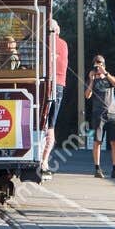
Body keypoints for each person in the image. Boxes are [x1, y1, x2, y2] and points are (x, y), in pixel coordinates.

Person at [40, 20, 69, 178]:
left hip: (45, 83)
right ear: (58, 30)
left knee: (41, 122)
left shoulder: (43, 42)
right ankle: (44, 160)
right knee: (51, 124)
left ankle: (41, 160)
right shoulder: (63, 44)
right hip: (59, 84)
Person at [86, 55, 115, 178]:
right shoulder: (93, 79)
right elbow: (87, 95)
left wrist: (105, 73)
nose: (98, 65)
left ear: (104, 64)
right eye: (96, 64)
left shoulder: (108, 77)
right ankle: (97, 168)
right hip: (98, 114)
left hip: (112, 113)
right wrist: (91, 80)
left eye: (100, 63)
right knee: (97, 141)